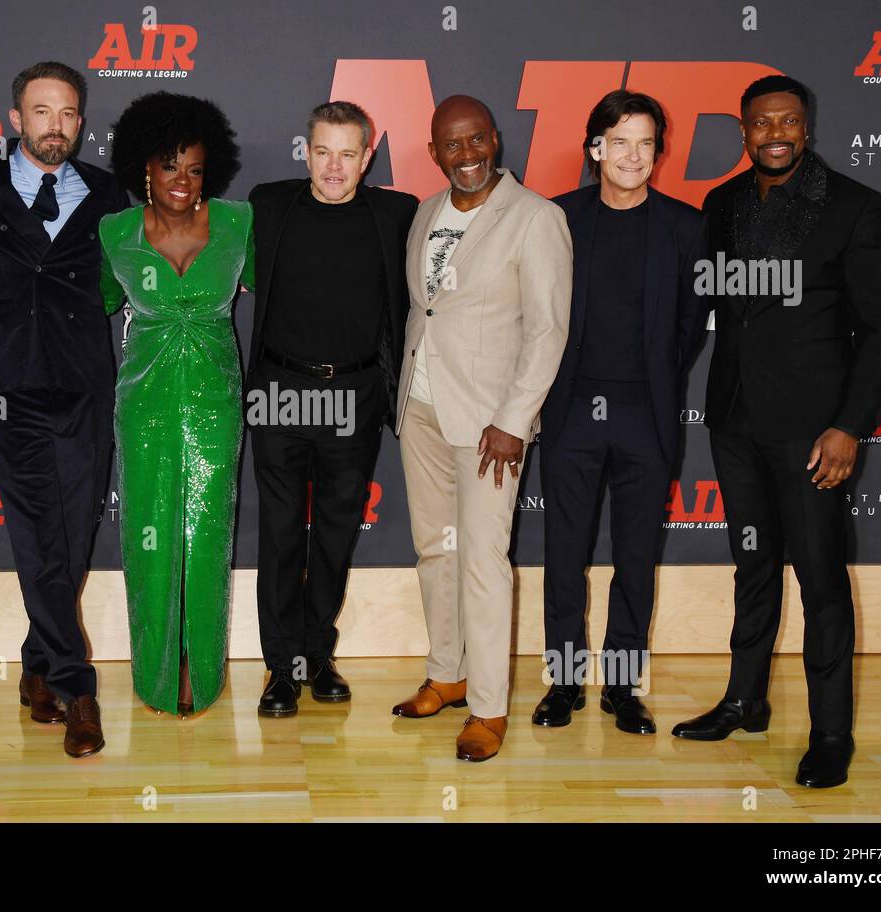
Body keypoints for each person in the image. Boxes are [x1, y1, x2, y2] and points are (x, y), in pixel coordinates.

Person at [672, 75, 881, 788]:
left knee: (823, 580)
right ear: (743, 133)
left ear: (807, 129)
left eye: (789, 122)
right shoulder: (722, 203)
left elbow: (880, 326)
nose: (775, 133)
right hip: (736, 419)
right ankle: (746, 700)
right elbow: (700, 304)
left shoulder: (856, 207)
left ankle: (831, 732)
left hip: (811, 432)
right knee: (753, 566)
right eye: (761, 123)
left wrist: (848, 427)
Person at [0, 61, 128, 758]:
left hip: (83, 382)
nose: (57, 126)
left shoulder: (111, 195)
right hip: (3, 386)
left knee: (74, 529)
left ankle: (35, 665)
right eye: (42, 111)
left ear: (81, 122)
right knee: (33, 530)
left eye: (69, 113)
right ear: (15, 119)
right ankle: (78, 687)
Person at [391, 95, 572, 762]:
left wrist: (514, 419)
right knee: (434, 548)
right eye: (452, 146)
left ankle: (488, 707)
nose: (466, 155)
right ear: (435, 152)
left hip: (491, 424)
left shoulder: (536, 218)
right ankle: (447, 672)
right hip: (422, 409)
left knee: (482, 561)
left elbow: (548, 330)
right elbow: (426, 313)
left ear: (494, 140)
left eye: (476, 141)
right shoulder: (424, 214)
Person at [536, 91, 706, 734]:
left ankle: (622, 686)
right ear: (595, 148)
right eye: (619, 140)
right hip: (573, 410)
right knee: (564, 556)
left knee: (636, 557)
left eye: (645, 142)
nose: (633, 155)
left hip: (647, 416)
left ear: (658, 152)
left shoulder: (686, 228)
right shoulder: (559, 219)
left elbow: (689, 330)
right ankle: (564, 681)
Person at [247, 102, 417, 717]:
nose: (335, 166)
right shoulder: (269, 206)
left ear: (367, 156)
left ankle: (317, 654)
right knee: (282, 531)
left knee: (337, 532)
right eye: (323, 151)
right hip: (279, 390)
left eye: (349, 153)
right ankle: (281, 666)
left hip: (354, 394)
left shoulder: (396, 214)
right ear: (306, 151)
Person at [98, 92, 251, 717]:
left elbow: (286, 294)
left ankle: (201, 667)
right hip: (145, 399)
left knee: (208, 530)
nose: (182, 181)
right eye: (169, 167)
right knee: (148, 532)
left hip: (216, 396)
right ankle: (157, 669)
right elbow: (102, 303)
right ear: (144, 169)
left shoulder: (240, 223)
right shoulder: (115, 231)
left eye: (193, 168)